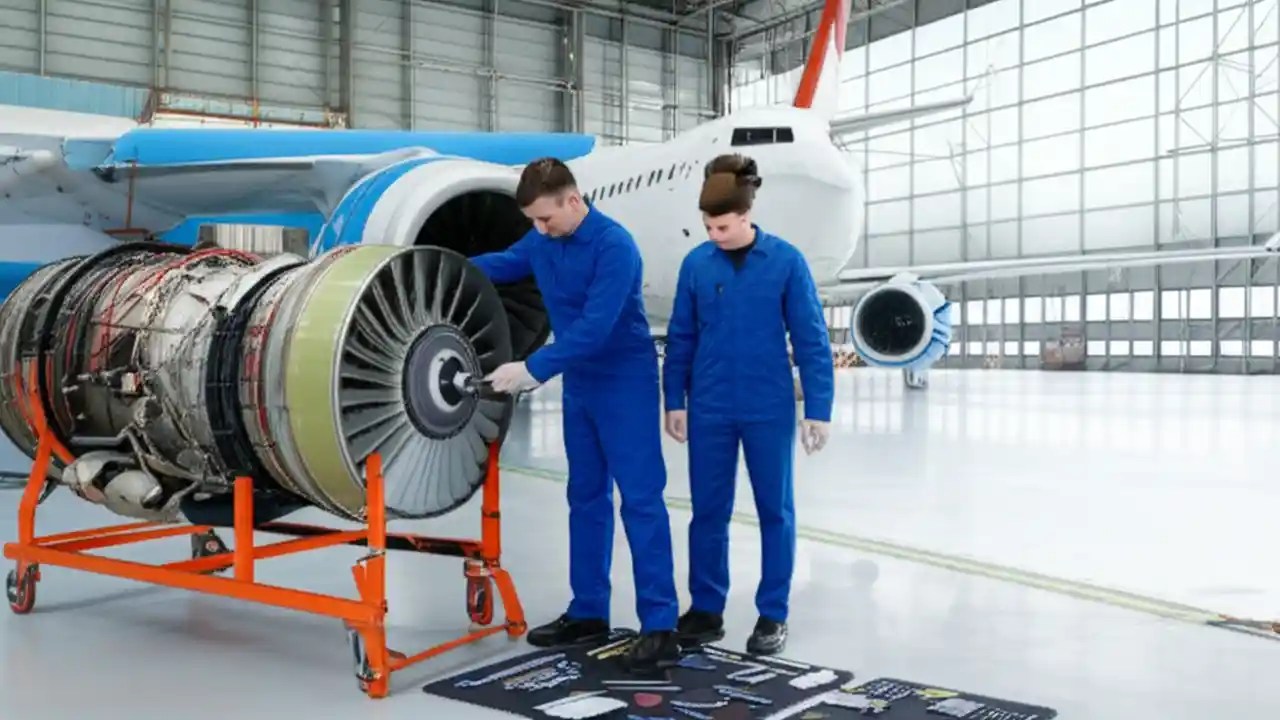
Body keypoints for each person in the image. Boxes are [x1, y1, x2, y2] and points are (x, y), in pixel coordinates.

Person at [469, 157, 682, 671]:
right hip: (579, 385)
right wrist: (437, 260)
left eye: (546, 218)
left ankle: (660, 625)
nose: (540, 230)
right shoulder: (543, 239)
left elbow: (595, 328)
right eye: (533, 223)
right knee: (584, 497)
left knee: (640, 499)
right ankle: (588, 610)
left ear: (574, 199)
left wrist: (533, 368)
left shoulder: (615, 247)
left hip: (623, 380)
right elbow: (502, 263)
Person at [661, 153, 835, 656]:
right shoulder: (696, 265)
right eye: (708, 226)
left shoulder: (785, 262)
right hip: (711, 405)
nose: (713, 234)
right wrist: (675, 399)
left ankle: (772, 614)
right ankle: (706, 608)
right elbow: (681, 336)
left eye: (722, 225)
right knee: (707, 511)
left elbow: (811, 340)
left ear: (745, 216)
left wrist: (818, 408)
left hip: (768, 406)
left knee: (774, 510)